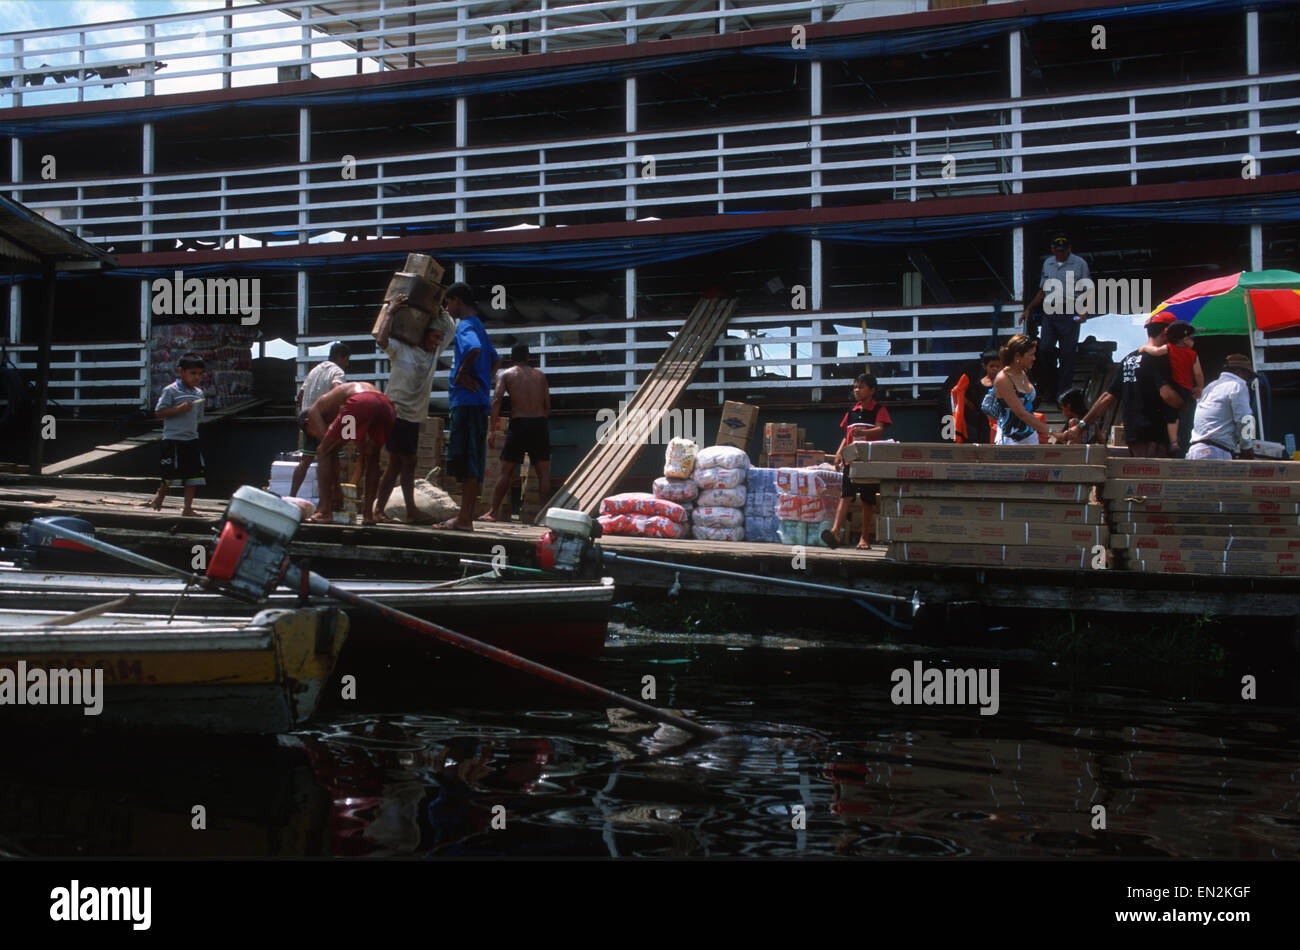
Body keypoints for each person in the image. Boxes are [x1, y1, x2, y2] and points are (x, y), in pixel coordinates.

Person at [372, 293, 456, 524]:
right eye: (435, 337)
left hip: (413, 417)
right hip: (396, 413)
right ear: (424, 333)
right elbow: (381, 340)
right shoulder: (402, 349)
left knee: (397, 465)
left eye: (439, 338)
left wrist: (435, 306)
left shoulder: (433, 353)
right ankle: (409, 511)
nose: (438, 342)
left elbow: (450, 327)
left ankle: (381, 511)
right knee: (408, 462)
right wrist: (390, 312)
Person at [1074, 313, 1184, 458]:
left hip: (1134, 436)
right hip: (1155, 437)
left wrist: (1082, 425)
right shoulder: (1159, 359)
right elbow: (1168, 396)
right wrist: (1185, 402)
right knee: (1152, 479)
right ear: (1166, 332)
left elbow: (1107, 397)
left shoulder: (1129, 359)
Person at [439, 282, 500, 531]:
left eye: (447, 303)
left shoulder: (465, 326)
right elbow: (495, 359)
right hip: (475, 402)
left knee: (468, 460)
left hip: (466, 403)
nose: (446, 308)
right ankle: (464, 517)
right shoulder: (478, 326)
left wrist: (462, 375)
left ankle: (464, 519)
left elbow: (473, 348)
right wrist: (483, 381)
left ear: (457, 301)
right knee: (470, 459)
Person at [298, 381, 396, 524]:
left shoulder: (314, 412)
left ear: (308, 422)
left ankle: (324, 511)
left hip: (362, 402)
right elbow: (352, 447)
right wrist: (337, 488)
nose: (315, 435)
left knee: (323, 450)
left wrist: (337, 489)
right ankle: (368, 515)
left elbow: (328, 451)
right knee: (373, 457)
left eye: (310, 432)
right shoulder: (338, 407)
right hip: (386, 404)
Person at [480, 343, 551, 522]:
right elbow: (547, 405)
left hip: (519, 423)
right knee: (543, 473)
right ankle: (544, 515)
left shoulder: (505, 374)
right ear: (528, 357)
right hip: (539, 423)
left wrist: (492, 431)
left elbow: (496, 401)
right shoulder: (540, 375)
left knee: (507, 471)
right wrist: (540, 421)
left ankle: (493, 513)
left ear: (511, 358)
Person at [823, 373, 891, 551]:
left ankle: (864, 538)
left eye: (861, 387)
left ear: (872, 390)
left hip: (868, 461)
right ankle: (835, 531)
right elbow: (846, 436)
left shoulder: (879, 409)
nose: (857, 390)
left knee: (867, 499)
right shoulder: (851, 412)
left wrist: (864, 433)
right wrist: (839, 453)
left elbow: (879, 431)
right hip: (850, 460)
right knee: (845, 495)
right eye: (855, 387)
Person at [1021, 233, 1091, 400]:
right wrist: (1029, 308)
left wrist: (1085, 310)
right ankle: (1049, 387)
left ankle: (1062, 393)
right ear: (1053, 250)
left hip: (1071, 311)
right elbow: (1043, 289)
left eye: (1063, 251)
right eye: (1057, 251)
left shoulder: (1079, 263)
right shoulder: (1048, 263)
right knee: (1044, 348)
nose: (1060, 254)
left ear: (1069, 249)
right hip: (1050, 311)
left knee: (1068, 353)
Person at [291, 342, 350, 501]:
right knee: (333, 455)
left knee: (306, 460)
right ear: (340, 357)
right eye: (346, 359)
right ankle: (333, 499)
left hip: (306, 418)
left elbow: (300, 395)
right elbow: (338, 390)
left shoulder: (314, 370)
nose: (347, 364)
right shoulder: (337, 371)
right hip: (321, 420)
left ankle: (291, 497)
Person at [149, 353, 206, 516]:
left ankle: (187, 508)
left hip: (192, 438)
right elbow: (159, 412)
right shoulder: (171, 391)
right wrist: (178, 410)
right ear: (181, 372)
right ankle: (160, 494)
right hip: (173, 439)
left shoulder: (199, 394)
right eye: (193, 373)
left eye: (200, 374)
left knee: (193, 474)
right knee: (169, 472)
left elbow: (199, 416)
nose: (197, 377)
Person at [1139, 320, 1203, 455]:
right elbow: (1198, 373)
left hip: (1175, 389)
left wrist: (1144, 348)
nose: (1193, 339)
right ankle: (1181, 444)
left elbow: (1155, 352)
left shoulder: (1169, 348)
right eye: (1191, 337)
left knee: (1172, 417)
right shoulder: (1193, 354)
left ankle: (1173, 442)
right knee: (1186, 420)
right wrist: (1200, 388)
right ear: (1184, 339)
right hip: (1188, 390)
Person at [1186, 355, 1257, 461]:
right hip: (1216, 453)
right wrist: (1247, 447)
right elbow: (1245, 418)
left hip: (1194, 452)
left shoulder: (1209, 387)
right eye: (1248, 376)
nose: (1248, 381)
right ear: (1238, 372)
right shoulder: (1238, 385)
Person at [991, 334, 1051, 445]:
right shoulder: (1003, 378)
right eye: (1031, 355)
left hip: (1030, 435)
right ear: (1018, 356)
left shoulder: (1024, 372)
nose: (1034, 358)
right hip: (1010, 438)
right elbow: (1021, 413)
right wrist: (1052, 432)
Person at [945, 348, 1001, 443]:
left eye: (998, 366)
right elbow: (974, 406)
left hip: (1000, 422)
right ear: (984, 366)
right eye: (992, 366)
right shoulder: (978, 386)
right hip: (983, 424)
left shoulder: (1004, 383)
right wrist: (964, 400)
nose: (995, 369)